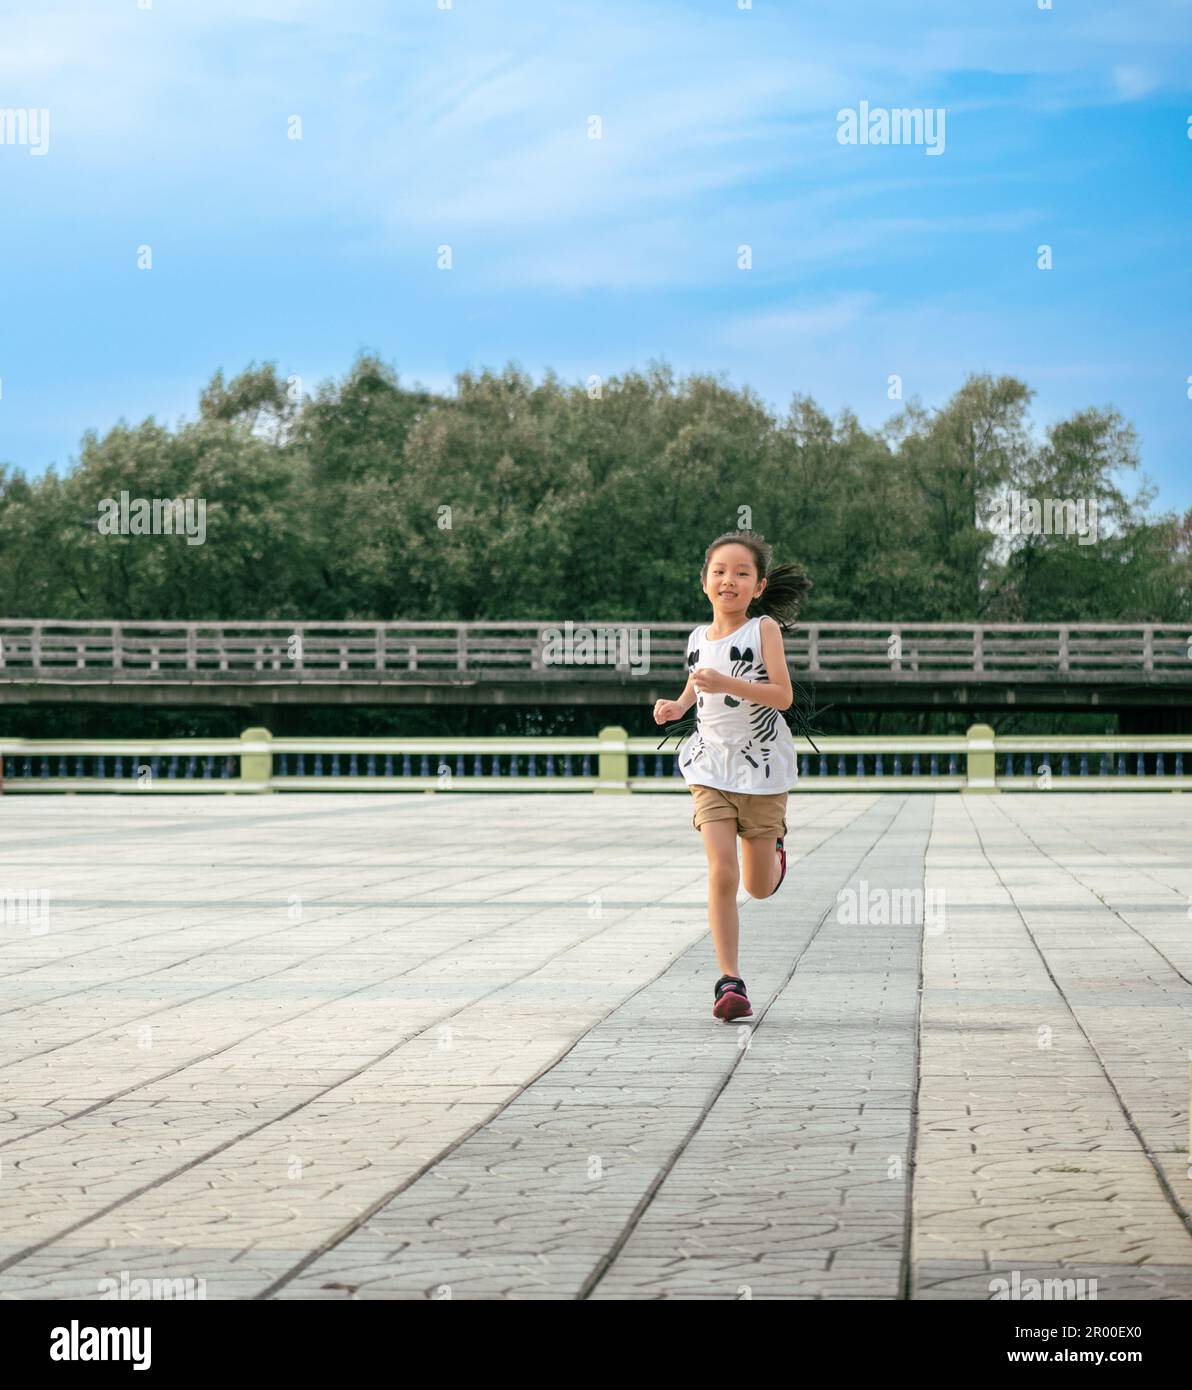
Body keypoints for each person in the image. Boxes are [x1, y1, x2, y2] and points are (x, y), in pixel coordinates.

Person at [652, 531, 810, 1021]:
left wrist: (725, 682)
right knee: (723, 871)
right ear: (704, 582)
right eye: (720, 571)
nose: (729, 580)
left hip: (762, 769)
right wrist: (675, 705)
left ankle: (775, 856)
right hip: (710, 767)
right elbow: (698, 687)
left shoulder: (763, 631)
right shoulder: (698, 639)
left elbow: (782, 696)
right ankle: (729, 981)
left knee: (758, 887)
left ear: (758, 586)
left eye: (742, 573)